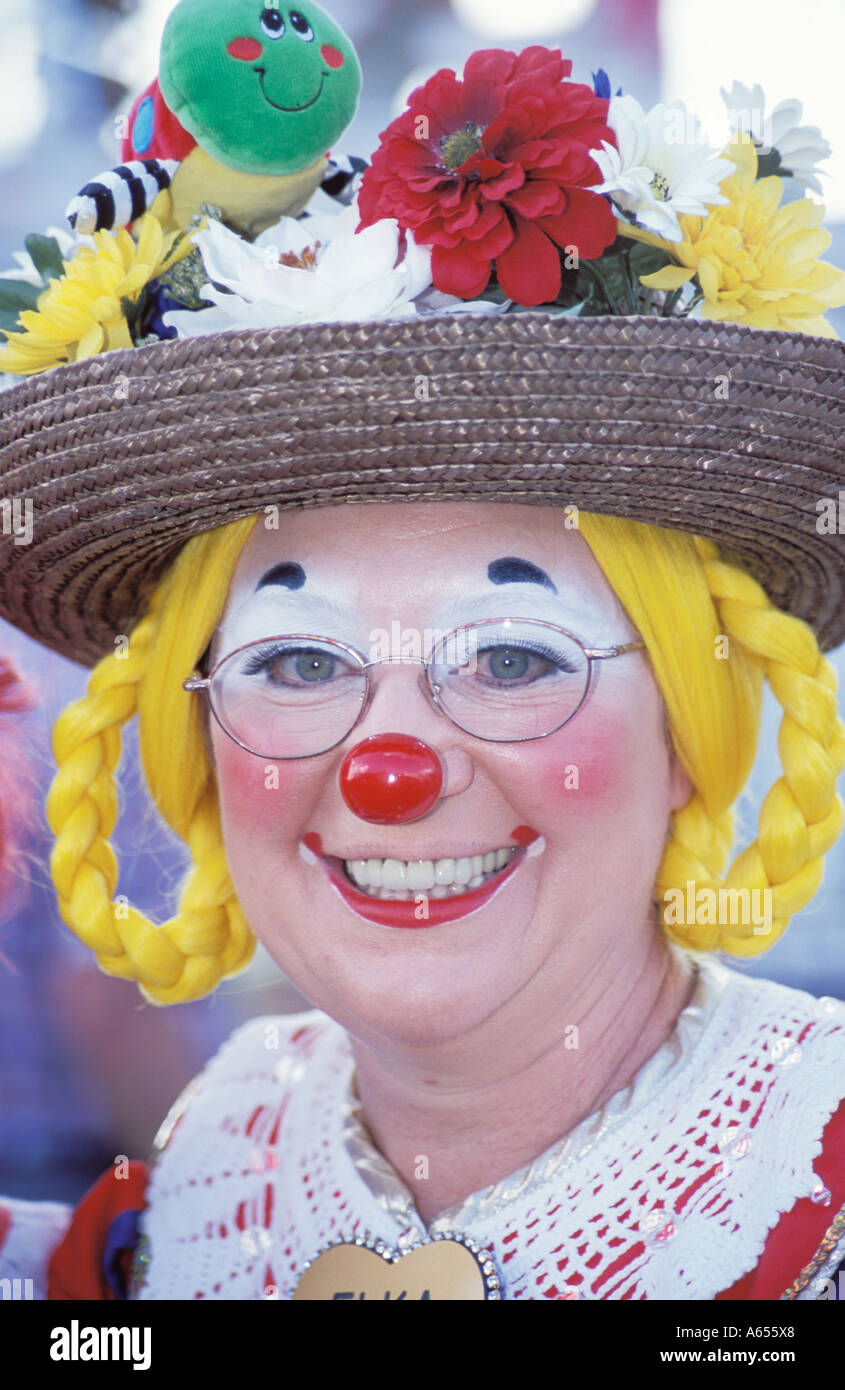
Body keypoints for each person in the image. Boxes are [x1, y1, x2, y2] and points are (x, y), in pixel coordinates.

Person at [0, 35, 844, 1301]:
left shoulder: (797, 1172)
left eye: (509, 655)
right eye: (294, 661)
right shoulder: (187, 1193)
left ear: (681, 726)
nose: (391, 768)